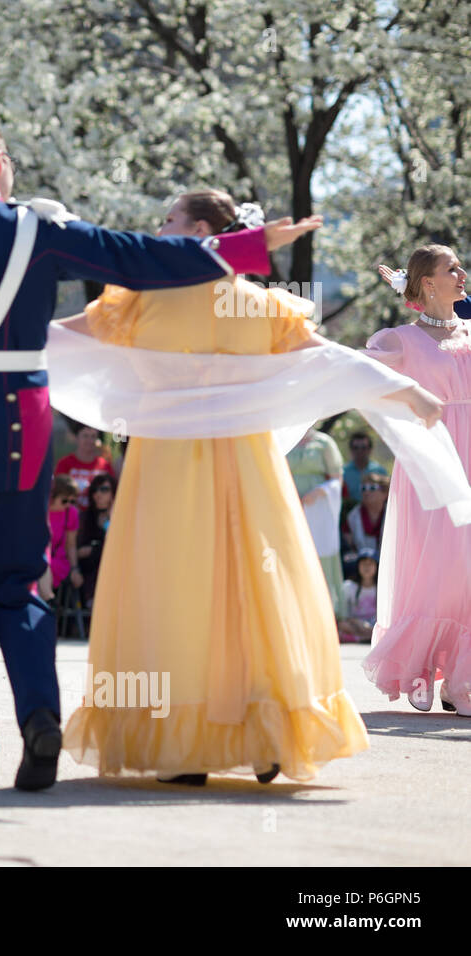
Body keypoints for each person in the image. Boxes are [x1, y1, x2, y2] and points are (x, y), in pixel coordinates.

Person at [0, 120, 309, 790]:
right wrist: (248, 245)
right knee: (19, 580)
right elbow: (139, 258)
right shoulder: (40, 231)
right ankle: (40, 723)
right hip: (21, 421)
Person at [54, 188, 445, 784]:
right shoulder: (259, 307)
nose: (158, 231)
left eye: (169, 220)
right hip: (245, 468)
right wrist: (407, 391)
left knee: (176, 595)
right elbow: (334, 360)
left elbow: (57, 340)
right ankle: (266, 734)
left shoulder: (139, 302)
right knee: (253, 591)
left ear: (203, 231)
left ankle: (179, 742)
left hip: (168, 471)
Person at [363, 245, 471, 716]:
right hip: (430, 456)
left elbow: (452, 317)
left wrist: (418, 292)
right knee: (435, 565)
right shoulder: (400, 340)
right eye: (452, 268)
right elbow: (359, 373)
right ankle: (420, 667)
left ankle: (460, 677)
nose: (463, 272)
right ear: (429, 283)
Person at [287, 427, 347, 617]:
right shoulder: (285, 437)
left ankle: (326, 612)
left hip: (318, 510)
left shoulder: (324, 443)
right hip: (289, 506)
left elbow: (337, 479)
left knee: (320, 557)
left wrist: (319, 492)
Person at [54, 422, 116, 510]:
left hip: (97, 519)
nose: (89, 440)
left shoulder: (105, 465)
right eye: (85, 436)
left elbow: (113, 494)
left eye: (93, 436)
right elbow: (57, 493)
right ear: (76, 438)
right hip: (71, 516)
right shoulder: (64, 464)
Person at [75, 473, 115, 607]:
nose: (99, 494)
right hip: (88, 569)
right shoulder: (85, 518)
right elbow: (76, 548)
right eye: (95, 490)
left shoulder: (120, 518)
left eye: (104, 490)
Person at [47, 474, 82, 597]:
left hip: (58, 561)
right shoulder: (41, 509)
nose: (68, 505)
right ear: (52, 496)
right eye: (64, 500)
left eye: (72, 501)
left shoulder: (71, 513)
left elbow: (71, 545)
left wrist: (74, 569)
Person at [339, 548, 379, 644]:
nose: (367, 567)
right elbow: (344, 613)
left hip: (374, 624)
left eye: (370, 563)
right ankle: (368, 637)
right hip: (355, 623)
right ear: (358, 566)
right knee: (342, 625)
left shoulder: (381, 588)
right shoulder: (349, 586)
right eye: (363, 563)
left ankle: (359, 638)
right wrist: (357, 622)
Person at [342, 432, 388, 506]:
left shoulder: (380, 471)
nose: (359, 451)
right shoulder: (343, 472)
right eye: (355, 448)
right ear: (351, 450)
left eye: (363, 448)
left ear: (370, 450)